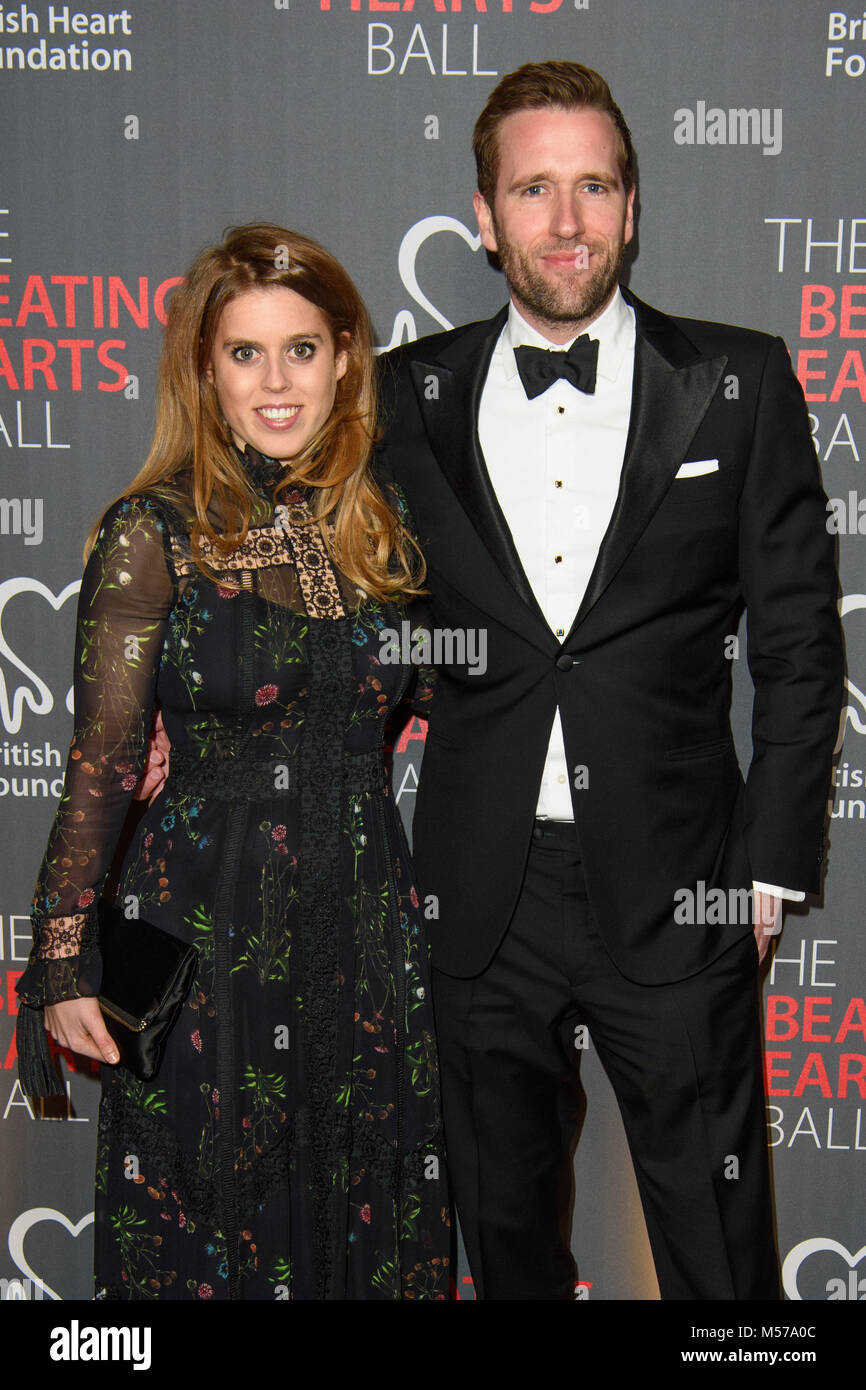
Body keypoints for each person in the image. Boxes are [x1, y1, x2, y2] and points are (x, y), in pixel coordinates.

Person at [374, 61, 843, 1299]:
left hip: (679, 890)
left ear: (633, 206)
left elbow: (800, 648)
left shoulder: (736, 385)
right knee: (506, 1245)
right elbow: (354, 624)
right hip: (479, 900)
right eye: (534, 188)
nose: (566, 220)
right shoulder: (399, 399)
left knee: (719, 1260)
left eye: (593, 186)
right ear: (482, 216)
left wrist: (764, 871)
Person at [16, 223, 449, 1301]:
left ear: (346, 356)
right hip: (210, 931)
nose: (274, 381)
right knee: (212, 1219)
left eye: (300, 349)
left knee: (362, 1202)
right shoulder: (152, 531)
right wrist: (62, 957)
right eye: (244, 353)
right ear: (203, 370)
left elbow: (456, 689)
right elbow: (104, 759)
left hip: (360, 928)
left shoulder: (382, 527)